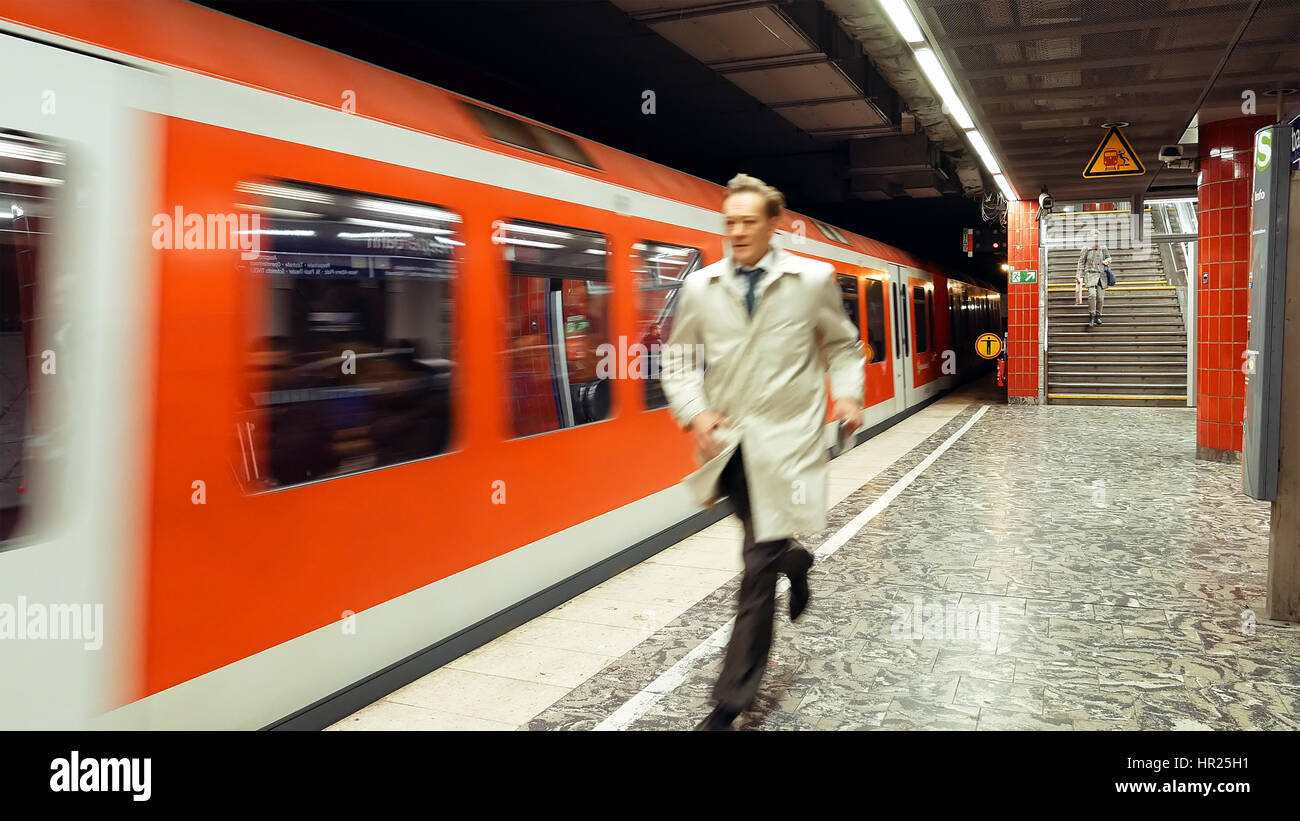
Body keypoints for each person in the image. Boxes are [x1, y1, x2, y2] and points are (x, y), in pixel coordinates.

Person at [659, 174, 866, 731]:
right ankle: (796, 561)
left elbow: (845, 347)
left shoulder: (812, 280)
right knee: (767, 551)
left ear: (774, 224)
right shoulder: (702, 288)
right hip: (732, 450)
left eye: (749, 221)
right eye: (730, 221)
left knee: (754, 571)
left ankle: (729, 702)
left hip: (791, 447)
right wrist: (697, 413)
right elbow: (677, 362)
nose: (738, 231)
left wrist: (846, 394)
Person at [1076, 228, 1112, 327]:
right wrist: (1079, 276)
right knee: (1092, 295)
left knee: (1100, 297)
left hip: (1101, 275)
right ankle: (1092, 315)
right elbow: (1081, 262)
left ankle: (1098, 316)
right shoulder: (1086, 248)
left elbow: (1109, 257)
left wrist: (1107, 261)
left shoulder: (1103, 248)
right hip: (1090, 275)